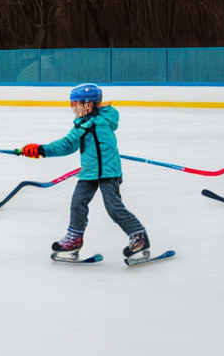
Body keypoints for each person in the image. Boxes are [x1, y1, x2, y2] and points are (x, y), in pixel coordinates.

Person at [21, 83, 150, 263]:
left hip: (108, 172)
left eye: (80, 104)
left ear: (91, 104)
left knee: (113, 207)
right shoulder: (84, 124)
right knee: (77, 203)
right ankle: (74, 238)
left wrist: (42, 150)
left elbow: (69, 144)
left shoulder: (99, 122)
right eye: (74, 105)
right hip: (90, 172)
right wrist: (41, 150)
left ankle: (138, 236)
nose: (76, 108)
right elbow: (68, 145)